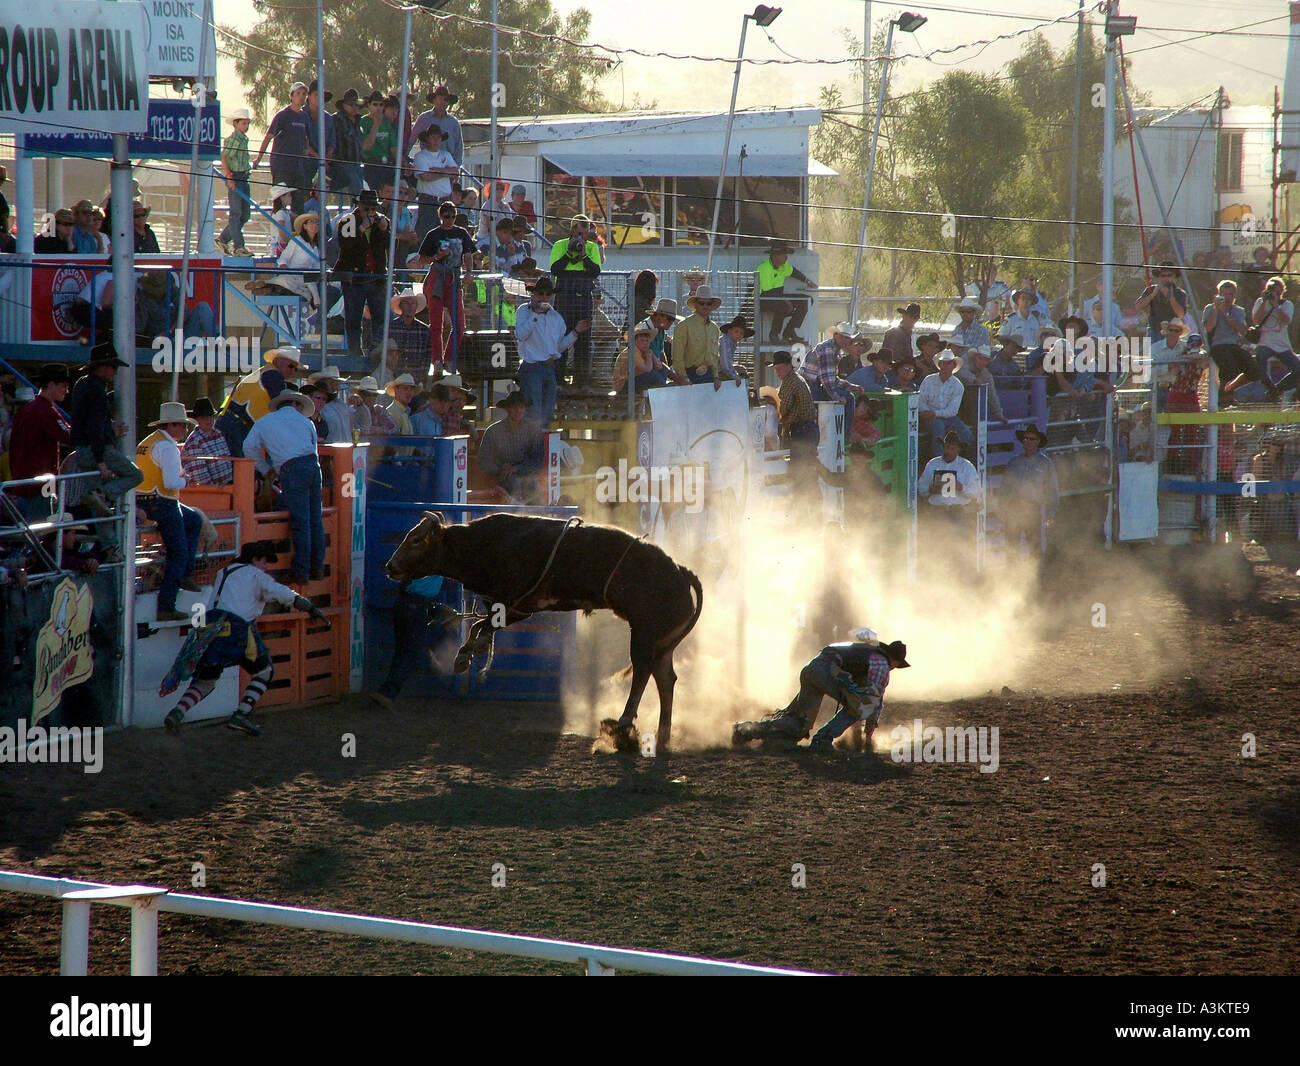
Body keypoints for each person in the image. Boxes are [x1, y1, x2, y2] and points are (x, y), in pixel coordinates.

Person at [162, 539, 328, 736]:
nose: (266, 567)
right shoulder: (255, 574)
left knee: (207, 679)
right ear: (256, 559)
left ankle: (178, 711)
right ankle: (241, 714)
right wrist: (309, 607)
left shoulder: (222, 573)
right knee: (264, 671)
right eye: (265, 562)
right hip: (236, 627)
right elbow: (280, 592)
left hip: (208, 627)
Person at [733, 630, 910, 749]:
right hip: (826, 670)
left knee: (799, 727)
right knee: (862, 705)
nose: (894, 668)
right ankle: (822, 740)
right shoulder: (881, 664)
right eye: (897, 665)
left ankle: (746, 730)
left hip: (813, 668)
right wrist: (868, 735)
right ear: (894, 660)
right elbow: (873, 701)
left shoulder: (868, 654)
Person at [243, 390, 325, 585]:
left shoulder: (264, 422)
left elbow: (248, 447)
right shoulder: (307, 422)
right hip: (313, 466)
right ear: (296, 405)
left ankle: (301, 572)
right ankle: (317, 567)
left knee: (301, 522)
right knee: (315, 520)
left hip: (291, 468)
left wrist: (267, 469)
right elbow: (313, 449)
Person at [135, 402, 204, 623]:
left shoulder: (147, 442)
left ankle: (184, 574)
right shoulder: (167, 447)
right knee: (179, 552)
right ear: (172, 425)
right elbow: (172, 482)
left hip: (143, 499)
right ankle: (167, 604)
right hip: (162, 502)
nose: (184, 430)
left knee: (193, 520)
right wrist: (188, 480)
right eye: (182, 426)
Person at [68, 345, 143, 537]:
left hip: (81, 451)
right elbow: (93, 426)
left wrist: (107, 428)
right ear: (101, 367)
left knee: (99, 509)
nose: (115, 371)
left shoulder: (81, 385)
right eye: (112, 366)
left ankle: (110, 547)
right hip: (96, 450)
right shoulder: (97, 390)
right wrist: (101, 460)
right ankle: (103, 494)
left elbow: (83, 420)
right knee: (135, 475)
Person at [515, 276, 589, 428]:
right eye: (540, 293)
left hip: (549, 368)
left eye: (548, 294)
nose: (544, 297)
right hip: (531, 368)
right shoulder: (524, 311)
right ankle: (532, 446)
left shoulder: (556, 318)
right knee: (533, 413)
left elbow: (559, 347)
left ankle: (543, 445)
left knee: (547, 414)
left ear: (552, 296)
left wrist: (575, 332)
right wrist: (535, 314)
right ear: (533, 294)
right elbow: (521, 335)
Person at [415, 200, 476, 370]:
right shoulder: (433, 234)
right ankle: (436, 360)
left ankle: (449, 357)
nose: (449, 220)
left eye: (453, 216)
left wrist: (469, 272)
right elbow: (421, 260)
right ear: (440, 216)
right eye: (446, 216)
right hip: (437, 276)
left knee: (459, 323)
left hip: (454, 277)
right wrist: (438, 256)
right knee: (436, 323)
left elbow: (469, 254)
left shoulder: (462, 233)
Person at [216, 345, 307, 457]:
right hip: (237, 426)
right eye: (291, 366)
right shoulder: (273, 375)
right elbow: (281, 406)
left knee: (235, 466)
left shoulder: (264, 372)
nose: (293, 371)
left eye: (295, 368)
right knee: (243, 466)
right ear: (278, 361)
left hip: (232, 422)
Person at [8, 363, 71, 521]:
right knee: (42, 534)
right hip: (41, 485)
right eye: (63, 386)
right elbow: (69, 435)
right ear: (51, 384)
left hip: (23, 484)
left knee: (32, 534)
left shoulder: (27, 410)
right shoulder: (45, 411)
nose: (66, 390)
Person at [337, 190, 391, 358]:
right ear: (358, 206)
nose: (370, 212)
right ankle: (354, 354)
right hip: (354, 278)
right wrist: (361, 228)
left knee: (380, 321)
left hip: (376, 278)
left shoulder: (382, 221)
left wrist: (385, 231)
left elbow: (393, 248)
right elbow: (345, 245)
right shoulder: (347, 221)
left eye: (373, 208)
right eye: (366, 208)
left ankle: (377, 353)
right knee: (353, 320)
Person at [549, 215, 602, 382]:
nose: (581, 237)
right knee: (562, 337)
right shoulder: (559, 245)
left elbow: (594, 271)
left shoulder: (592, 248)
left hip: (583, 299)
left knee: (583, 341)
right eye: (578, 233)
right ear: (572, 231)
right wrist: (569, 253)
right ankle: (558, 379)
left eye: (584, 234)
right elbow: (556, 270)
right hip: (565, 299)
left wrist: (584, 255)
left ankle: (581, 381)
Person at [996, 424, 1058, 559]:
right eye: (1025, 438)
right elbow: (1005, 487)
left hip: (1032, 508)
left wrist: (1050, 513)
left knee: (1034, 545)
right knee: (1011, 544)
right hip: (1014, 507)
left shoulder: (1045, 463)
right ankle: (1011, 575)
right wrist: (1002, 507)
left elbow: (1052, 491)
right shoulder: (1014, 461)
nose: (1027, 441)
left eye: (1031, 439)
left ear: (1038, 442)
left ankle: (1037, 576)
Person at [254, 80, 312, 214]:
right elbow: (268, 137)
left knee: (298, 200)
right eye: (298, 93)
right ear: (291, 96)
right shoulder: (282, 115)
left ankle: (296, 232)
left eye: (304, 94)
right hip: (281, 165)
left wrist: (306, 150)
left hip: (297, 166)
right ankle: (278, 232)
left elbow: (306, 137)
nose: (301, 96)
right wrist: (258, 158)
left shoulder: (304, 116)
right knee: (280, 201)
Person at [477, 391, 545, 501]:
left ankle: (537, 513)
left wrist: (517, 469)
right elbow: (483, 460)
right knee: (514, 484)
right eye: (514, 407)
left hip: (527, 477)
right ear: (507, 409)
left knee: (530, 485)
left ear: (524, 409)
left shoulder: (533, 431)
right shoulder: (493, 431)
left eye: (521, 407)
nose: (518, 411)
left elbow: (538, 461)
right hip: (501, 479)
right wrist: (499, 470)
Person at [917, 430, 980, 537]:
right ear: (943, 447)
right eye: (946, 447)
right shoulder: (932, 464)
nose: (948, 451)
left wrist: (960, 487)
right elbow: (921, 486)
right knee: (936, 545)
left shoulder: (967, 466)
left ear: (958, 450)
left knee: (959, 545)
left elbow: (976, 492)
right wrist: (929, 490)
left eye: (952, 448)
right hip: (937, 512)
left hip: (958, 511)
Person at [1203, 279, 1256, 403]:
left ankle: (1226, 392)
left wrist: (1225, 314)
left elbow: (1241, 329)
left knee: (1252, 368)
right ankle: (1224, 396)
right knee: (1230, 368)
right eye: (1224, 294)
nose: (1227, 298)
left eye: (1230, 294)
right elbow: (1208, 328)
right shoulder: (1210, 309)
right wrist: (1217, 309)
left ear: (1235, 295)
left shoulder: (1238, 311)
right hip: (1217, 345)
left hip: (1233, 345)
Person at [756, 240, 817, 344]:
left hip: (777, 296)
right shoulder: (764, 268)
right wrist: (785, 301)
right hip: (762, 299)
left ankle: (789, 332)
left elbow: (793, 272)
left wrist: (807, 281)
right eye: (783, 255)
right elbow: (768, 293)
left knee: (806, 300)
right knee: (784, 306)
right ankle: (774, 335)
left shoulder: (783, 265)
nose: (786, 257)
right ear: (775, 256)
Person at [1251, 275, 1299, 398]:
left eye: (1276, 291)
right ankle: (1268, 385)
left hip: (1282, 344)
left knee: (1298, 368)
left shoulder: (1287, 304)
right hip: (1264, 343)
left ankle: (1277, 389)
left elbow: (1286, 320)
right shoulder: (1260, 302)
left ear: (1281, 291)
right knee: (1259, 359)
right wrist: (1264, 302)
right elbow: (1256, 321)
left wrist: (1276, 305)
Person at [773, 349, 819, 473]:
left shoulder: (788, 382)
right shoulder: (797, 378)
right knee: (809, 471)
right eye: (775, 369)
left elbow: (784, 406)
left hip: (802, 431)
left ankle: (802, 491)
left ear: (788, 366)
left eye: (780, 368)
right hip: (810, 429)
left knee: (799, 471)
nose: (777, 372)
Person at [411, 125, 458, 242]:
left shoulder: (446, 155)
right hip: (429, 201)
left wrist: (438, 170)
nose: (436, 140)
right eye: (433, 137)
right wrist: (445, 172)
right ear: (427, 139)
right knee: (428, 235)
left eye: (438, 137)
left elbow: (455, 172)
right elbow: (425, 176)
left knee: (447, 235)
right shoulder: (420, 156)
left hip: (446, 200)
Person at [917, 349, 969, 456]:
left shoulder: (957, 385)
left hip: (949, 417)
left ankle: (959, 461)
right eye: (943, 363)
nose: (945, 366)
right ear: (939, 365)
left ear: (953, 366)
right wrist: (927, 413)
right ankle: (939, 462)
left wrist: (934, 414)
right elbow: (921, 400)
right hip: (929, 416)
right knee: (939, 430)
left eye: (949, 363)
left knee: (967, 435)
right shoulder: (928, 380)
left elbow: (953, 410)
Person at [217, 108, 253, 256]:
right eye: (243, 123)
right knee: (236, 214)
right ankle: (239, 246)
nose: (246, 126)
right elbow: (224, 156)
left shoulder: (243, 139)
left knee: (245, 215)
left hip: (244, 177)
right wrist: (229, 177)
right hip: (236, 177)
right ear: (235, 124)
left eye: (247, 123)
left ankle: (223, 239)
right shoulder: (234, 139)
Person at [675, 285, 725, 385]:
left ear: (711, 305)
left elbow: (715, 356)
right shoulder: (684, 326)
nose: (705, 306)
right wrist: (683, 377)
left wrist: (716, 377)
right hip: (690, 375)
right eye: (701, 303)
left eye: (708, 303)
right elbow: (677, 356)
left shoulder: (714, 328)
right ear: (695, 304)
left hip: (709, 375)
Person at [181, 397, 234, 486]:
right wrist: (221, 492)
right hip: (211, 494)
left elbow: (228, 462)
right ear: (197, 419)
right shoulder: (194, 443)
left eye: (210, 416)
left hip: (228, 488)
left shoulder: (219, 434)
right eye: (203, 417)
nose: (208, 419)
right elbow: (201, 479)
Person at [410, 84, 464, 168]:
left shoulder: (454, 122)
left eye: (445, 100)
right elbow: (412, 139)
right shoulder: (424, 118)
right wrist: (403, 158)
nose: (443, 102)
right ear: (434, 100)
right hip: (429, 163)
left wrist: (455, 167)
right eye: (440, 99)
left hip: (448, 165)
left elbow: (459, 147)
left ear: (448, 102)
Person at [956, 344, 1009, 426]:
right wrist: (974, 379)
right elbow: (959, 370)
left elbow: (992, 395)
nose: (983, 362)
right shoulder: (964, 362)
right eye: (980, 358)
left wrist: (999, 414)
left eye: (986, 360)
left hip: (969, 409)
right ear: (974, 358)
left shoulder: (986, 375)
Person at [1135, 262, 1189, 342]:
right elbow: (1137, 306)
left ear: (1174, 276)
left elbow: (1180, 314)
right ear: (1159, 277)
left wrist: (1170, 297)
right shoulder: (1151, 290)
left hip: (1172, 333)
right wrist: (1153, 295)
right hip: (1153, 331)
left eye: (1169, 275)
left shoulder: (1180, 293)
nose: (1166, 278)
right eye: (1163, 275)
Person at [359, 91, 398, 191]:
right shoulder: (364, 121)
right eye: (375, 104)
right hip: (372, 164)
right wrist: (376, 124)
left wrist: (402, 163)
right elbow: (366, 146)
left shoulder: (386, 122)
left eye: (381, 105)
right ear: (369, 105)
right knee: (376, 193)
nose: (378, 108)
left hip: (387, 164)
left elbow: (393, 148)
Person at [308, 366, 354, 444]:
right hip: (328, 451)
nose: (334, 386)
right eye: (331, 383)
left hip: (346, 451)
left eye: (336, 383)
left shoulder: (342, 404)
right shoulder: (317, 406)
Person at [717, 314, 753, 382]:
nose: (738, 335)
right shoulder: (725, 341)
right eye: (736, 331)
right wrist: (734, 376)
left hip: (719, 369)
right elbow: (725, 362)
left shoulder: (732, 343)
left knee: (741, 369)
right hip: (713, 371)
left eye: (741, 333)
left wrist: (735, 368)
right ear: (730, 331)